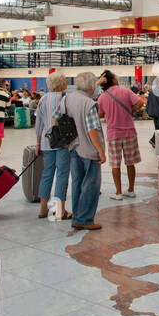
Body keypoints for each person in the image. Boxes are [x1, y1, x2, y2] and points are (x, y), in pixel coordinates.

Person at [61, 71, 107, 230]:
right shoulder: (89, 103)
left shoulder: (66, 99)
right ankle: (85, 219)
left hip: (73, 147)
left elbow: (55, 119)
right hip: (89, 149)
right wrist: (100, 150)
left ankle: (77, 214)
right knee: (91, 183)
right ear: (90, 86)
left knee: (77, 181)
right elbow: (92, 129)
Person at [95, 70, 144, 199]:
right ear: (114, 80)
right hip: (129, 132)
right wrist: (131, 110)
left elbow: (100, 114)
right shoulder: (125, 91)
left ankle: (118, 193)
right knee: (130, 162)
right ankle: (131, 189)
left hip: (113, 134)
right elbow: (140, 102)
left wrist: (109, 113)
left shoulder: (102, 97)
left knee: (115, 164)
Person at [34, 72, 72, 220]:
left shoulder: (42, 99)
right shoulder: (64, 98)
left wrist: (38, 143)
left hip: (46, 142)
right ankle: (60, 210)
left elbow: (39, 124)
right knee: (62, 174)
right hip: (63, 142)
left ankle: (43, 208)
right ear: (61, 84)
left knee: (47, 174)